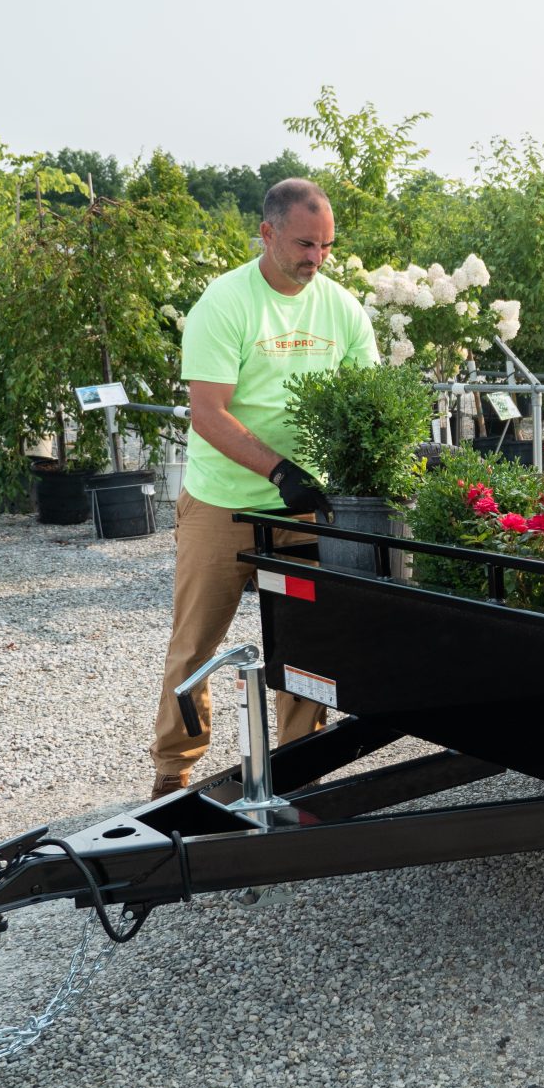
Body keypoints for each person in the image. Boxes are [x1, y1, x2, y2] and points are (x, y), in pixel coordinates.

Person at [148, 178, 379, 796]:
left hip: (305, 506)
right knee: (196, 642)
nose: (317, 259)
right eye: (305, 244)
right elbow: (208, 413)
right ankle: (174, 768)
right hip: (223, 503)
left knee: (308, 644)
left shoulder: (342, 310)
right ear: (269, 233)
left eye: (327, 247)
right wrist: (278, 470)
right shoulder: (225, 304)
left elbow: (365, 403)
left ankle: (300, 766)